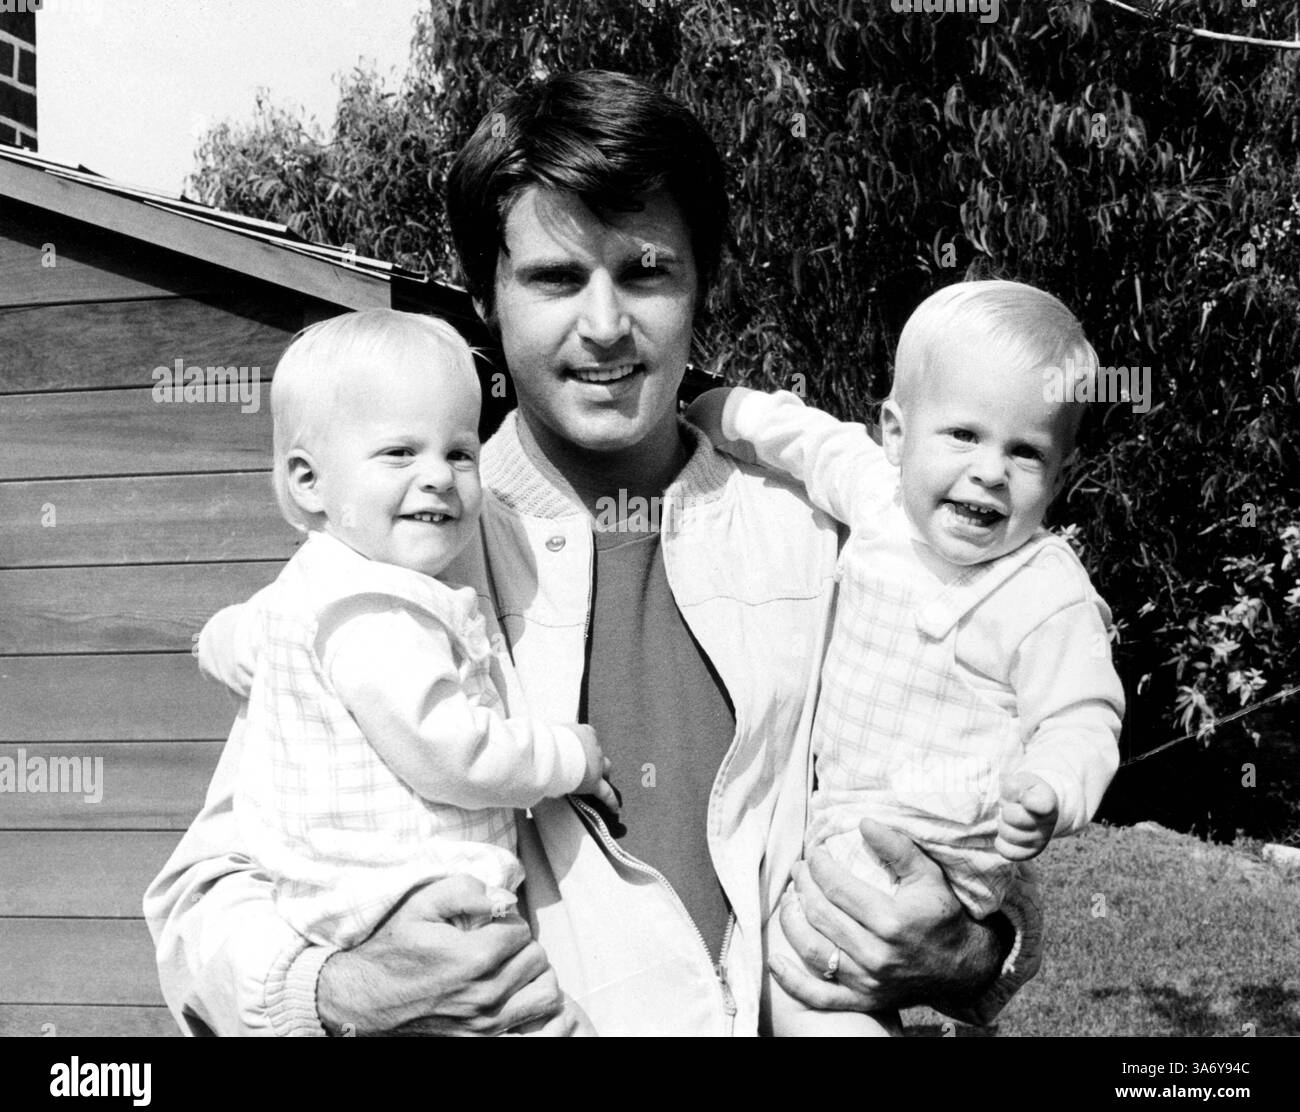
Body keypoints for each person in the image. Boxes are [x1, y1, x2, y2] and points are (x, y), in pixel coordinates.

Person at [145, 70, 1043, 1037]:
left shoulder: (824, 537)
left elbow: (970, 794)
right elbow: (201, 900)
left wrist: (972, 948)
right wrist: (341, 989)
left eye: (647, 271)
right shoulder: (391, 566)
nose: (605, 323)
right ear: (487, 299)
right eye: (556, 278)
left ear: (704, 282)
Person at [689, 280, 1123, 1035]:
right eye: (964, 435)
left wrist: (1053, 786)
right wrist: (715, 410)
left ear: (1058, 475)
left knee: (798, 978)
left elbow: (1083, 713)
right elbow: (805, 438)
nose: (991, 471)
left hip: (942, 841)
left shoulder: (1044, 590)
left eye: (1026, 453)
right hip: (852, 819)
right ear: (896, 432)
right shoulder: (878, 498)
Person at [194, 310, 616, 1034]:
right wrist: (571, 755)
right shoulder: (379, 612)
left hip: (344, 913)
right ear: (308, 482)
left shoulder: (310, 588)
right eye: (398, 452)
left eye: (459, 452)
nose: (439, 479)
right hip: (424, 913)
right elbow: (454, 751)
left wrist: (224, 641)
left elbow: (233, 637)